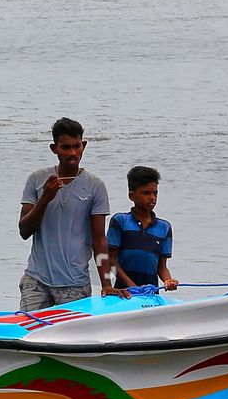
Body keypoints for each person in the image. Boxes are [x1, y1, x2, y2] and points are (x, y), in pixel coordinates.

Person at [18, 117, 118, 309]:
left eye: (77, 146)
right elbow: (24, 230)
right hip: (37, 280)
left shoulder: (94, 186)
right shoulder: (37, 180)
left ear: (84, 145)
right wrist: (46, 197)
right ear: (54, 148)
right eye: (65, 147)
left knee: (71, 337)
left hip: (75, 284)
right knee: (27, 332)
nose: (73, 153)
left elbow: (99, 240)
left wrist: (106, 283)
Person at [107, 166, 178, 292]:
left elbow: (161, 267)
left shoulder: (164, 227)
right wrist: (132, 287)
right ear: (132, 196)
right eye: (146, 193)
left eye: (155, 193)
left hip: (150, 293)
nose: (152, 198)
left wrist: (168, 280)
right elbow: (110, 260)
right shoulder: (120, 221)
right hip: (122, 292)